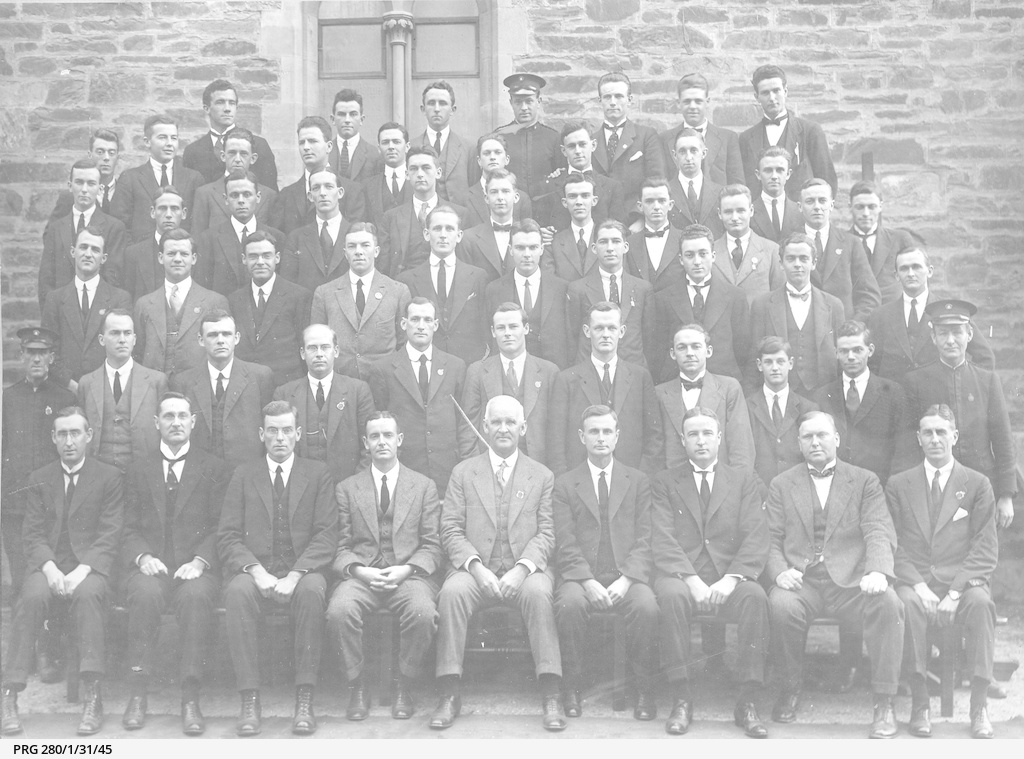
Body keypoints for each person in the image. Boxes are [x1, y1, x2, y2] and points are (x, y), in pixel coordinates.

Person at [431, 395, 567, 732]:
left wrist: (522, 570)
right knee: (452, 593)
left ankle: (551, 691)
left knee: (539, 594)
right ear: (485, 426)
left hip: (525, 570)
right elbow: (450, 529)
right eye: (496, 422)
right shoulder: (463, 473)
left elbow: (547, 532)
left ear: (523, 428)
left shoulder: (542, 475)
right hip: (475, 570)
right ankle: (449, 691)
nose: (503, 429)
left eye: (510, 422)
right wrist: (477, 568)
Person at [766, 411, 904, 738]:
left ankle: (884, 701)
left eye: (822, 435)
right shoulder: (782, 484)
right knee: (781, 605)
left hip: (851, 583)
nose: (815, 442)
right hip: (802, 581)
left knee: (889, 604)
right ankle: (790, 688)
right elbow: (769, 538)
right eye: (808, 437)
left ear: (837, 439)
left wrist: (877, 571)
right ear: (799, 443)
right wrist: (779, 572)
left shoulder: (864, 481)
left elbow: (878, 529)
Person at [0, 407, 124, 737]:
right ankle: (10, 694)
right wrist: (50, 568)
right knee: (31, 596)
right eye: (63, 434)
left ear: (89, 436)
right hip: (50, 565)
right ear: (53, 438)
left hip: (90, 568)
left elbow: (110, 533)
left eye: (75, 433)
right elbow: (32, 533)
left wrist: (83, 570)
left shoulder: (109, 477)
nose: (69, 441)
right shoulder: (39, 478)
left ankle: (93, 696)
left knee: (88, 596)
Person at [217, 401, 338, 736]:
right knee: (237, 593)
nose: (280, 438)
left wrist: (296, 575)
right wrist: (257, 572)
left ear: (298, 434)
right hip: (257, 570)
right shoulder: (244, 474)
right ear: (261, 434)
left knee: (312, 592)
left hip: (303, 570)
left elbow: (327, 535)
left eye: (286, 430)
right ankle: (249, 698)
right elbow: (228, 535)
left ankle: (305, 698)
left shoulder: (318, 473)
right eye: (272, 430)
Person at [652, 407, 770, 738]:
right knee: (670, 597)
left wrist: (731, 580)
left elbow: (756, 535)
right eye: (693, 434)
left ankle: (747, 701)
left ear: (719, 438)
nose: (701, 441)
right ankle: (681, 697)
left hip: (728, 577)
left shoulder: (743, 480)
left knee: (756, 597)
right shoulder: (664, 482)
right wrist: (690, 580)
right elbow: (662, 537)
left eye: (707, 433)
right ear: (683, 440)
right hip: (682, 576)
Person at [119, 392, 230, 735]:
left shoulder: (214, 468)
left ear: (193, 422)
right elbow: (126, 526)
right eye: (169, 416)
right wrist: (143, 556)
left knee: (196, 598)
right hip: (151, 566)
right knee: (144, 595)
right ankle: (138, 694)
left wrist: (200, 561)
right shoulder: (138, 469)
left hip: (195, 567)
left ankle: (190, 696)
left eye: (183, 416)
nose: (176, 422)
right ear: (156, 423)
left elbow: (222, 526)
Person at [888, 405, 999, 739]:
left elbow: (984, 548)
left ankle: (979, 706)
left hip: (961, 582)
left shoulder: (977, 484)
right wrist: (919, 585)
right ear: (918, 438)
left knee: (981, 605)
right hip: (916, 580)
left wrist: (954, 591)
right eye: (928, 432)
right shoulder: (899, 484)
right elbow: (892, 544)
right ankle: (920, 703)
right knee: (906, 606)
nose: (935, 439)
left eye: (941, 432)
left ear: (955, 436)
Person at [327, 411, 443, 720]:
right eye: (374, 436)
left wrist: (406, 570)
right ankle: (358, 685)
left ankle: (404, 683)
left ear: (399, 440)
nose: (381, 442)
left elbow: (433, 546)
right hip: (362, 575)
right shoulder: (347, 488)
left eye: (388, 435)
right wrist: (360, 571)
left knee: (423, 612)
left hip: (408, 575)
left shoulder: (423, 486)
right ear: (365, 443)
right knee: (339, 612)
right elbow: (340, 546)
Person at [554, 405, 658, 721]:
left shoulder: (638, 481)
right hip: (582, 577)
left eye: (607, 431)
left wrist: (627, 579)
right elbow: (565, 541)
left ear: (617, 436)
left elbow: (646, 537)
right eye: (594, 432)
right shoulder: (565, 483)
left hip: (626, 576)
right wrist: (587, 582)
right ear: (581, 436)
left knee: (646, 606)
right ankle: (572, 687)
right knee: (569, 605)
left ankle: (644, 689)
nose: (601, 438)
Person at [902, 300, 1016, 530]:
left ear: (969, 334)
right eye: (943, 333)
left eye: (957, 332)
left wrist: (1005, 495)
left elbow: (1003, 440)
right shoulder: (915, 381)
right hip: (934, 487)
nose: (950, 340)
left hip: (981, 484)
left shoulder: (987, 381)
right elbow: (906, 442)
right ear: (933, 338)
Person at [365, 298, 474, 497]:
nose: (421, 326)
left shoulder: (455, 366)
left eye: (427, 320)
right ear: (403, 324)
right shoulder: (383, 369)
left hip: (447, 468)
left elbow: (463, 421)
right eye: (415, 319)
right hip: (405, 466)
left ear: (436, 325)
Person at [1, 328, 75, 597]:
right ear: (21, 355)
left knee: (51, 569)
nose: (36, 359)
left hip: (50, 498)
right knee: (19, 571)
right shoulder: (8, 397)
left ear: (51, 358)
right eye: (30, 353)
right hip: (15, 499)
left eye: (42, 353)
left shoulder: (64, 398)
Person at [548, 301, 663, 477]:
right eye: (599, 328)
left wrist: (641, 480)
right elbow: (556, 440)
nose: (606, 335)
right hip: (581, 480)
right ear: (587, 331)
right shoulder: (567, 380)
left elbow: (654, 436)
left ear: (622, 331)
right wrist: (566, 481)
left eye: (612, 328)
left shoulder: (640, 377)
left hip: (631, 479)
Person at [866, 247, 995, 383]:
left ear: (930, 271)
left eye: (916, 267)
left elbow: (985, 357)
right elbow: (871, 364)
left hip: (938, 393)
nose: (910, 273)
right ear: (896, 275)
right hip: (894, 394)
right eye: (904, 269)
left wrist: (961, 387)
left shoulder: (948, 311)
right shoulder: (880, 315)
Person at [645, 223, 751, 385]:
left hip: (723, 383)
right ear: (681, 259)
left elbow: (743, 349)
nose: (697, 261)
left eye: (703, 254)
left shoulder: (735, 296)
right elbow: (658, 351)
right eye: (689, 255)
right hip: (677, 383)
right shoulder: (663, 299)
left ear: (713, 256)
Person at [169, 309, 275, 469]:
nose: (220, 340)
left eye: (226, 334)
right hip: (201, 473)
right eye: (212, 335)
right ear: (201, 340)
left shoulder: (260, 376)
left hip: (247, 472)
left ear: (236, 338)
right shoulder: (183, 382)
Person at [272, 324, 376, 484]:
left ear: (336, 351)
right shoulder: (284, 393)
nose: (319, 354)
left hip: (346, 487)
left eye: (325, 347)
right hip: (300, 488)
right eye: (312, 348)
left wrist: (353, 486)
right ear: (302, 353)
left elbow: (370, 445)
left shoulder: (358, 391)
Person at [309, 222, 412, 381]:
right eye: (352, 246)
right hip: (341, 381)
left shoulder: (398, 291)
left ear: (376, 251)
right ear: (345, 253)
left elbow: (405, 344)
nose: (358, 251)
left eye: (365, 245)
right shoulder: (325, 293)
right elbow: (317, 343)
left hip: (384, 381)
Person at [813, 321, 910, 485]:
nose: (851, 357)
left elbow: (903, 448)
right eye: (844, 351)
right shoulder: (822, 396)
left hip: (880, 484)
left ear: (870, 350)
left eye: (857, 350)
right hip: (835, 485)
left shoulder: (893, 392)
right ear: (836, 353)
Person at [463, 302, 560, 465]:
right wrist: (475, 469)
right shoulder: (477, 371)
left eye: (513, 327)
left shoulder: (549, 372)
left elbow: (557, 431)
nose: (507, 333)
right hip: (490, 465)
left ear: (526, 328)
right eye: (501, 328)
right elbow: (467, 429)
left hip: (536, 465)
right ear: (493, 332)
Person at [749, 233, 845, 396]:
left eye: (804, 258)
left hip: (822, 394)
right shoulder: (762, 304)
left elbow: (841, 358)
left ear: (813, 263)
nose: (797, 264)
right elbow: (754, 356)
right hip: (780, 393)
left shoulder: (833, 305)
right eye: (791, 259)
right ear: (781, 264)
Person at [397, 205, 491, 365]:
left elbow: (484, 327)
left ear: (459, 235)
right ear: (426, 234)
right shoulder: (407, 280)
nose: (443, 235)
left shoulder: (478, 277)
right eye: (437, 228)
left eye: (449, 229)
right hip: (425, 365)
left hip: (468, 364)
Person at [41, 225, 132, 390]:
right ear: (73, 252)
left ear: (103, 258)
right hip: (65, 390)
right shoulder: (55, 299)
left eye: (95, 250)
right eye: (83, 247)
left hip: (106, 389)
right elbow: (49, 350)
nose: (88, 254)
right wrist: (72, 386)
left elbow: (122, 349)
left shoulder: (119, 299)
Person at [655, 324, 755, 472]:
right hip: (673, 482)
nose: (689, 353)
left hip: (721, 480)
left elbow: (741, 447)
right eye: (682, 347)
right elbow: (655, 448)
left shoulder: (729, 388)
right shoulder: (659, 394)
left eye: (696, 346)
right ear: (673, 354)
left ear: (708, 351)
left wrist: (735, 483)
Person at [76, 309, 168, 472]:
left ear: (134, 339)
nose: (122, 340)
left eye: (127, 333)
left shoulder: (156, 381)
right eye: (115, 333)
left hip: (143, 473)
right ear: (102, 339)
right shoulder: (86, 383)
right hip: (100, 474)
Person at [133, 228, 229, 380]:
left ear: (194, 258)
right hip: (154, 385)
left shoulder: (214, 302)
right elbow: (137, 352)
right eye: (171, 254)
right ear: (160, 257)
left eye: (184, 254)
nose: (177, 259)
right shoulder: (144, 304)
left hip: (197, 385)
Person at [739, 64, 838, 201]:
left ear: (785, 91)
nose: (772, 98)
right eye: (765, 93)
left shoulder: (810, 131)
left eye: (776, 91)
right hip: (760, 212)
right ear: (757, 97)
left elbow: (827, 180)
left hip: (800, 211)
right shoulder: (746, 139)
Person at [228, 229, 312, 386]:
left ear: (277, 258)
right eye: (253, 256)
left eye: (266, 256)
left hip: (286, 384)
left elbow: (304, 345)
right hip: (247, 384)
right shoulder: (234, 300)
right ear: (244, 259)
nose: (260, 262)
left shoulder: (299, 296)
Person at [484, 219, 572, 369]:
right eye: (520, 248)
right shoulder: (494, 289)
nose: (527, 254)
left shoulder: (561, 288)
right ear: (511, 250)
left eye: (533, 247)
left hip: (553, 370)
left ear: (542, 249)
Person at [40, 158, 128, 305]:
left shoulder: (114, 228)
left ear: (99, 188)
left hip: (99, 308)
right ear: (70, 186)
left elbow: (113, 278)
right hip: (61, 309)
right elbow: (46, 279)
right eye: (79, 182)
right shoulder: (56, 228)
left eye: (91, 183)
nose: (84, 189)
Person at [567, 219, 651, 367]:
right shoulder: (578, 289)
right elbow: (572, 336)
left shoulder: (643, 289)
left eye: (616, 241)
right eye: (603, 242)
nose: (610, 248)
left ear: (625, 247)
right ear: (594, 248)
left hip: (633, 369)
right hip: (591, 369)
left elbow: (650, 337)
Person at [109, 114, 204, 244]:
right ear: (147, 142)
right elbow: (120, 225)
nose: (169, 144)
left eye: (174, 138)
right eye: (162, 138)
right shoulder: (130, 178)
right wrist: (135, 252)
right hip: (142, 252)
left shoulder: (193, 178)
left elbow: (199, 224)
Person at [798, 178, 881, 321]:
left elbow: (869, 295)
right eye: (810, 201)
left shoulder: (850, 243)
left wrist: (853, 327)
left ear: (831, 205)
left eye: (822, 201)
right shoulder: (790, 244)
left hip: (843, 328)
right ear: (800, 207)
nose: (817, 207)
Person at [268, 115, 365, 236]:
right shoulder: (286, 195)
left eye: (313, 141)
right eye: (302, 143)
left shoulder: (353, 191)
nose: (306, 147)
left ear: (329, 146)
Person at [745, 336, 819, 492]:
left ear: (790, 364)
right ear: (759, 365)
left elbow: (813, 456)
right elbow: (744, 457)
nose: (775, 368)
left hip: (799, 492)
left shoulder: (808, 408)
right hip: (759, 494)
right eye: (768, 362)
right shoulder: (747, 407)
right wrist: (763, 494)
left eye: (780, 361)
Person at [593, 72, 667, 220]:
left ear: (629, 100)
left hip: (633, 219)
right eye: (607, 97)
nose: (613, 102)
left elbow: (656, 180)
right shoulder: (590, 141)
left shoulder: (646, 136)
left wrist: (640, 218)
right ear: (600, 100)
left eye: (619, 96)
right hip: (599, 221)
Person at [182, 79, 278, 190]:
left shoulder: (259, 145)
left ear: (236, 108)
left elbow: (270, 193)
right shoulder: (192, 151)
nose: (227, 109)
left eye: (231, 103)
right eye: (220, 102)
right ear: (207, 108)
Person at [534, 121, 628, 231]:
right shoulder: (548, 187)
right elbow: (540, 227)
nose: (578, 151)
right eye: (571, 146)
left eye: (582, 144)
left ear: (593, 145)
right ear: (564, 151)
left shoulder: (612, 187)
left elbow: (619, 230)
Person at [188, 127, 277, 236]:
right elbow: (198, 237)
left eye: (243, 154)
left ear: (253, 158)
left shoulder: (268, 195)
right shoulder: (205, 194)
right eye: (232, 153)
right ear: (223, 156)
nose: (237, 159)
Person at [659, 73, 744, 186]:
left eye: (698, 101)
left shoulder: (727, 138)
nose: (692, 106)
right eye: (687, 101)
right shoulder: (665, 139)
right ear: (679, 103)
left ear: (707, 102)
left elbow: (737, 184)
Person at [280, 168, 353, 292]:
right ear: (310, 196)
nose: (322, 193)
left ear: (340, 192)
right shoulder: (296, 238)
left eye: (329, 186)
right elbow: (288, 284)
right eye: (316, 188)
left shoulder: (354, 234)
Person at [713, 184, 784, 305]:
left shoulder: (772, 250)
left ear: (751, 210)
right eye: (728, 212)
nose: (735, 217)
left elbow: (779, 298)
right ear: (720, 214)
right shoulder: (710, 251)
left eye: (740, 210)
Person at [497, 73, 561, 204]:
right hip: (510, 208)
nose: (524, 108)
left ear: (539, 102)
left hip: (545, 209)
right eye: (518, 102)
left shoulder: (553, 138)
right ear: (511, 103)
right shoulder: (499, 137)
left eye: (529, 101)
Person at [848, 180, 914, 305]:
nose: (866, 213)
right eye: (860, 207)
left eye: (871, 207)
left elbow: (918, 282)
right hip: (856, 313)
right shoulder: (842, 242)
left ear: (880, 207)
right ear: (850, 207)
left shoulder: (900, 239)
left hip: (893, 312)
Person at [456, 169, 526, 282]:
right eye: (494, 192)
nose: (500, 197)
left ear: (516, 197)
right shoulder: (468, 239)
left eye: (505, 191)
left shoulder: (528, 237)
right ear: (486, 198)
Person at [411, 81, 471, 206]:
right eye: (431, 103)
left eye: (443, 103)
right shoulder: (411, 147)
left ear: (452, 110)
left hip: (457, 215)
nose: (437, 109)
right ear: (423, 109)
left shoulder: (469, 148)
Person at [124, 186, 188, 301]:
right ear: (153, 212)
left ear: (183, 213)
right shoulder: (134, 253)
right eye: (162, 208)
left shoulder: (194, 252)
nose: (168, 214)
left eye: (174, 208)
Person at [625, 177, 686, 293]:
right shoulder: (629, 244)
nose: (656, 207)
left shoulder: (684, 240)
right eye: (649, 201)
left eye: (662, 201)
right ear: (640, 206)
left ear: (671, 205)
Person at [48, 129, 122, 219]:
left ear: (117, 158)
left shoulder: (126, 194)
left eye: (111, 153)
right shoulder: (70, 196)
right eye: (100, 152)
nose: (106, 158)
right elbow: (55, 227)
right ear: (90, 155)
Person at [465, 133, 533, 227]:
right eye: (487, 153)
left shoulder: (522, 198)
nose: (492, 157)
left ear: (507, 159)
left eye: (497, 152)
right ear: (479, 161)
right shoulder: (466, 198)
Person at [667, 129, 725, 238]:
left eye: (694, 151)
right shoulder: (665, 193)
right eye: (682, 151)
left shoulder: (720, 192)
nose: (688, 157)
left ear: (703, 153)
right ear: (674, 155)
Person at [544, 172, 600, 281]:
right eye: (572, 196)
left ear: (594, 201)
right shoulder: (554, 243)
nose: (579, 202)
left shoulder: (607, 239)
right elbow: (550, 283)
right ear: (565, 202)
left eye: (585, 196)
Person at [327, 88, 382, 184]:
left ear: (361, 119)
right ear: (333, 119)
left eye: (353, 114)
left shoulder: (373, 154)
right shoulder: (325, 152)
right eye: (341, 114)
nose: (347, 120)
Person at [749, 146, 802, 244]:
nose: (774, 176)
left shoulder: (800, 211)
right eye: (768, 170)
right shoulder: (749, 212)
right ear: (758, 174)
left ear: (788, 174)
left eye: (780, 170)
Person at [364, 122, 410, 231]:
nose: (391, 147)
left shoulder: (418, 181)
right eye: (385, 142)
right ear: (379, 148)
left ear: (407, 146)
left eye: (396, 142)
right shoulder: (368, 186)